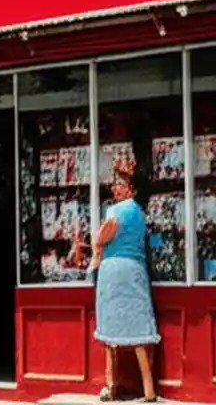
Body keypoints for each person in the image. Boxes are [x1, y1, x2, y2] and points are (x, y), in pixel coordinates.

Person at [91, 164, 159, 402]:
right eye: (115, 185)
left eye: (120, 185)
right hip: (136, 270)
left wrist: (97, 242)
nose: (115, 189)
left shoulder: (115, 211)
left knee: (110, 332)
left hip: (115, 271)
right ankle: (149, 389)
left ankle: (112, 385)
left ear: (131, 190)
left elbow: (103, 237)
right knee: (138, 331)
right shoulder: (140, 214)